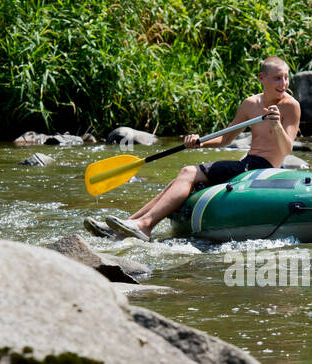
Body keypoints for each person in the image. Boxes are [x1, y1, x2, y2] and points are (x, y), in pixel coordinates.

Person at [97, 57, 301, 241]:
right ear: (262, 78)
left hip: (263, 169)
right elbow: (225, 138)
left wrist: (277, 125)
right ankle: (123, 226)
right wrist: (199, 142)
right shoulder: (250, 104)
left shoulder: (291, 106)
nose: (283, 84)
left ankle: (145, 225)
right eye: (277, 78)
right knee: (177, 181)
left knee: (188, 172)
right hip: (246, 163)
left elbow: (286, 149)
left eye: (286, 78)